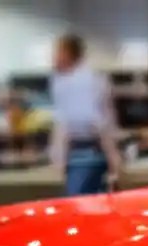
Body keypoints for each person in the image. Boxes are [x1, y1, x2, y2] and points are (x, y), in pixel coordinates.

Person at [49, 34, 121, 195]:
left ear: (68, 54)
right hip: (79, 155)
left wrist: (113, 159)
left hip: (88, 154)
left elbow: (98, 121)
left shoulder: (84, 81)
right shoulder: (61, 81)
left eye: (56, 52)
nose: (52, 58)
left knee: (79, 206)